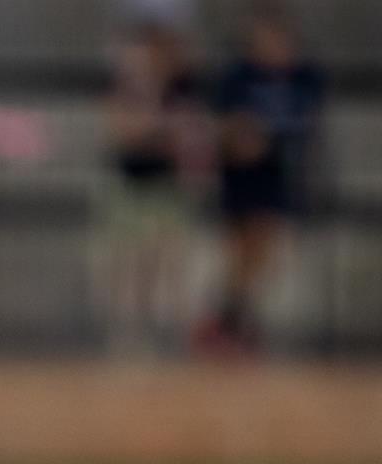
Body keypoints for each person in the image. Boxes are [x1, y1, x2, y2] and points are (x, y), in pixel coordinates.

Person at [199, 5, 324, 356]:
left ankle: (235, 318)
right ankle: (229, 320)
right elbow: (222, 128)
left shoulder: (304, 78)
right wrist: (239, 136)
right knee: (242, 249)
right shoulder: (237, 78)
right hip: (241, 177)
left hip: (278, 174)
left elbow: (307, 125)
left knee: (264, 250)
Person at [102, 21, 203, 354]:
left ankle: (170, 334)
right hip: (132, 185)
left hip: (168, 185)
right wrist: (156, 128)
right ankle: (130, 333)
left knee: (170, 260)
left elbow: (186, 136)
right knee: (133, 260)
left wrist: (155, 130)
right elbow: (121, 133)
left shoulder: (180, 90)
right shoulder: (125, 89)